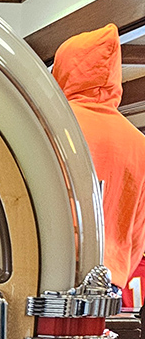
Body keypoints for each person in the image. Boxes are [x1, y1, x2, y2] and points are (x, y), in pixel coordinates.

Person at [52, 23, 145, 308]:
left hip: (48, 268)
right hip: (108, 280)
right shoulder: (139, 143)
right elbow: (138, 232)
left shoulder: (51, 126)